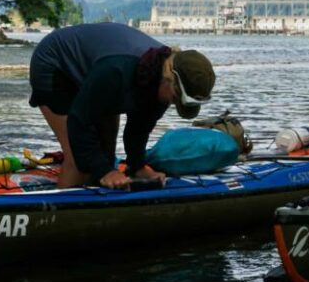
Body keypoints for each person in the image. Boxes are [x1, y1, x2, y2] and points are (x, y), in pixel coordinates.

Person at [28, 23, 215, 189]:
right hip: (56, 64)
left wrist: (138, 166)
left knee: (106, 155)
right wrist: (105, 172)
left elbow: (138, 130)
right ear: (168, 78)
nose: (172, 104)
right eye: (175, 99)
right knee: (78, 158)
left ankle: (98, 209)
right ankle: (63, 217)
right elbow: (78, 122)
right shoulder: (116, 70)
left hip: (97, 72)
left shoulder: (163, 87)